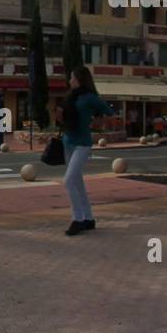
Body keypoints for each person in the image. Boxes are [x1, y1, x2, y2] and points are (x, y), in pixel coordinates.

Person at [60, 65, 109, 235]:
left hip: (82, 143)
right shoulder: (70, 96)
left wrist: (98, 122)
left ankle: (77, 219)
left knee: (68, 181)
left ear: (80, 79)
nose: (70, 80)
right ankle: (88, 218)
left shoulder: (89, 98)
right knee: (77, 183)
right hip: (68, 141)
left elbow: (108, 111)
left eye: (72, 77)